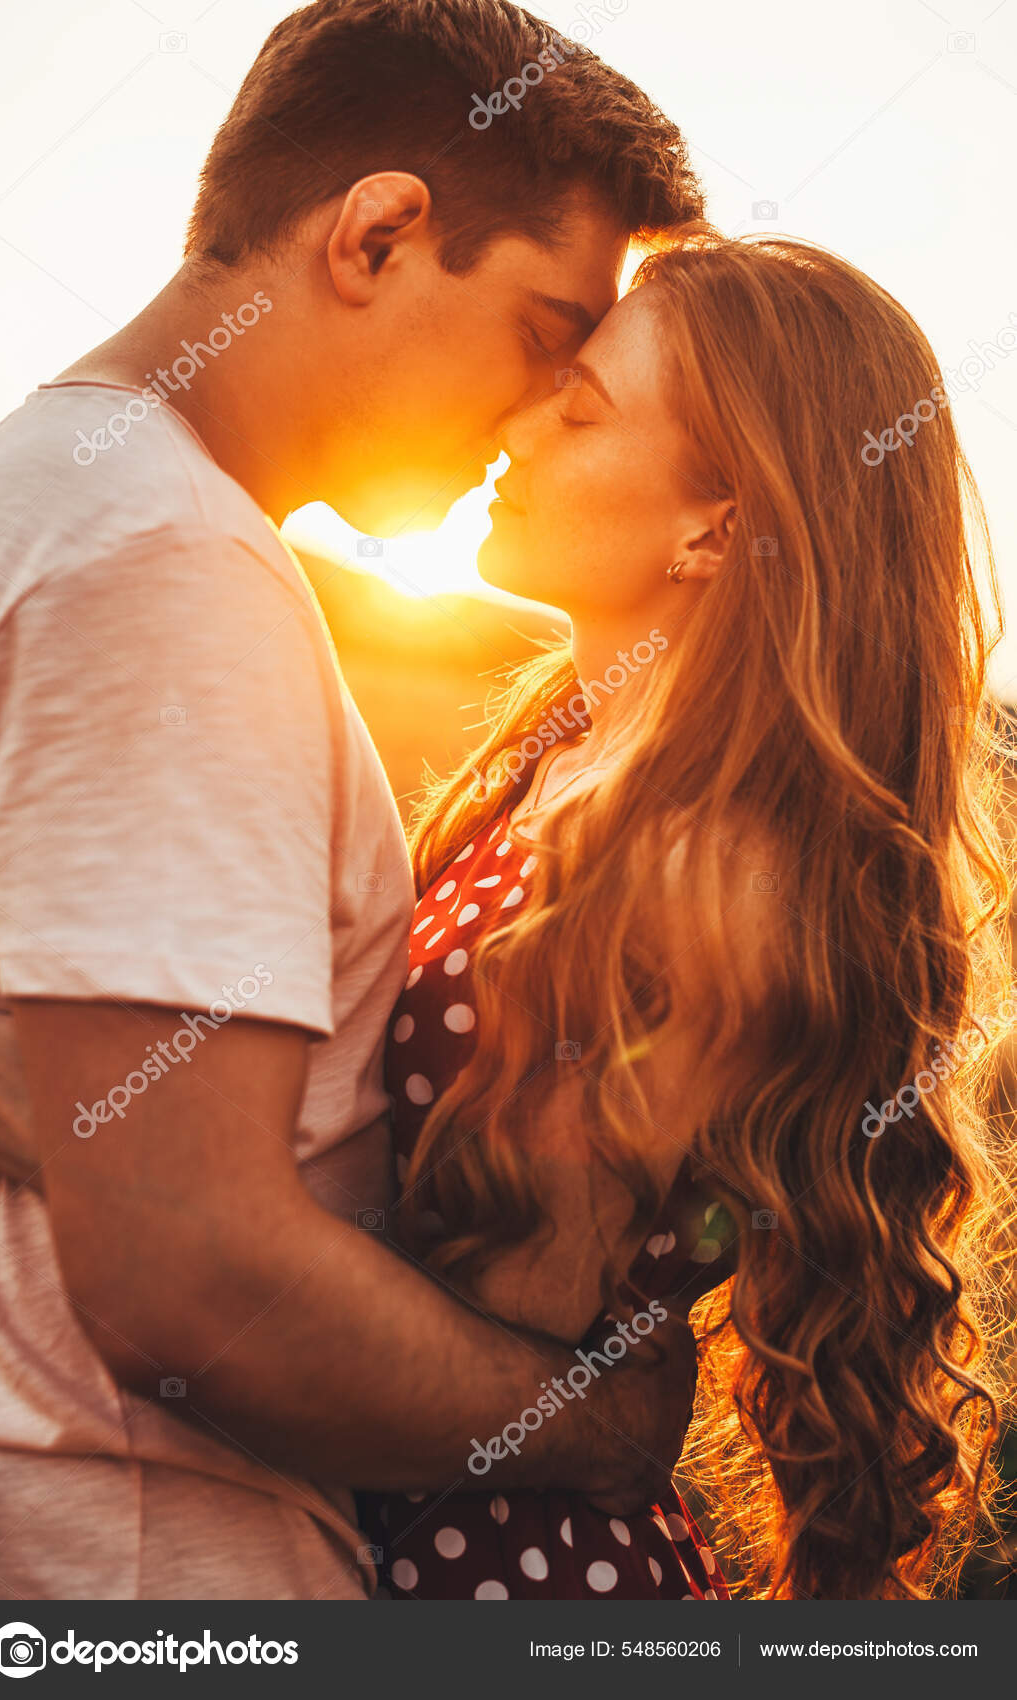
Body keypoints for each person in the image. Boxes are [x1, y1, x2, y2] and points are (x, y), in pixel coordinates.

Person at [0, 1, 706, 1600]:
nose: (532, 413)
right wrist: (606, 1422)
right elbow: (190, 1278)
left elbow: (129, 1133)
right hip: (135, 1551)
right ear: (376, 233)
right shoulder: (159, 563)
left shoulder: (38, 495)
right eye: (542, 332)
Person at [370, 230, 1015, 1600]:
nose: (515, 420)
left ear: (716, 525)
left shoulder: (701, 869)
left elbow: (495, 1340)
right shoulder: (552, 767)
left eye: (580, 403)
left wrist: (133, 1190)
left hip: (488, 1581)